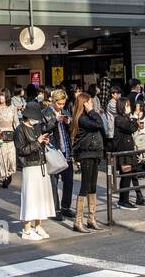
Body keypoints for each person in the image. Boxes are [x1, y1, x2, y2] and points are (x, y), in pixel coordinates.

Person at [16, 101, 57, 240]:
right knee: (31, 197)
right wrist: (38, 142)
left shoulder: (37, 127)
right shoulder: (20, 129)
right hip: (29, 166)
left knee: (40, 197)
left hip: (41, 165)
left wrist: (43, 141)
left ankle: (38, 225)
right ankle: (27, 229)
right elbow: (21, 151)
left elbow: (38, 142)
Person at [70, 92, 103, 233]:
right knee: (85, 186)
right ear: (84, 103)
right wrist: (92, 111)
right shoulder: (82, 118)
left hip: (94, 152)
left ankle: (91, 218)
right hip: (86, 153)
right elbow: (99, 124)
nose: (91, 104)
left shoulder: (86, 117)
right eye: (89, 102)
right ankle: (78, 221)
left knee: (93, 186)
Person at [112, 96, 145, 209]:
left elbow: (132, 126)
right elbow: (130, 128)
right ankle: (123, 201)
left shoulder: (126, 118)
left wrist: (135, 121)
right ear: (122, 106)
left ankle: (123, 200)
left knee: (127, 176)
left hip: (128, 150)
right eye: (127, 105)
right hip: (123, 151)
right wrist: (135, 117)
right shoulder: (119, 119)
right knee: (126, 175)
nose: (129, 107)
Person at [49, 88, 76, 218]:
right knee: (54, 182)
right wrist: (55, 120)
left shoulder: (65, 112)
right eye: (59, 104)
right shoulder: (46, 112)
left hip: (66, 151)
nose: (61, 106)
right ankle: (56, 209)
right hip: (54, 152)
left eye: (63, 104)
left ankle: (66, 207)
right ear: (54, 101)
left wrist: (68, 122)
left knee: (69, 180)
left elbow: (72, 130)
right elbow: (42, 128)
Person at [0, 89, 18, 188]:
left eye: (2, 95)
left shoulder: (12, 108)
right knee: (1, 155)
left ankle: (9, 173)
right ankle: (5, 177)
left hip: (10, 133)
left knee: (10, 156)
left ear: (6, 96)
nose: (0, 97)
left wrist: (19, 133)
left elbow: (16, 122)